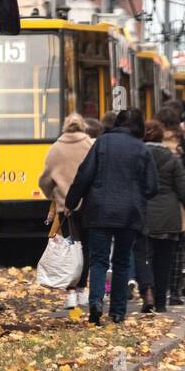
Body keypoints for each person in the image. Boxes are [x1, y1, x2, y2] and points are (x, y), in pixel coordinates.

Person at [65, 108, 157, 325]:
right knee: (122, 262)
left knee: (98, 260)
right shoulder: (142, 149)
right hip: (129, 213)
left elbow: (84, 174)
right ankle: (117, 312)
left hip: (99, 211)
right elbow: (152, 187)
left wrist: (71, 202)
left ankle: (96, 303)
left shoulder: (102, 143)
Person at [38, 113, 95, 310]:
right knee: (86, 249)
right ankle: (82, 290)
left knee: (69, 248)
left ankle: (70, 293)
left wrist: (51, 195)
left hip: (65, 207)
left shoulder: (55, 148)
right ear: (83, 127)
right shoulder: (90, 145)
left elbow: (45, 180)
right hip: (88, 206)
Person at [142, 118, 185, 312]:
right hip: (168, 215)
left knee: (144, 256)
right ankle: (160, 302)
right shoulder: (172, 158)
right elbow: (184, 188)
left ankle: (147, 292)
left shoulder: (139, 155)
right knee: (164, 260)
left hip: (144, 213)